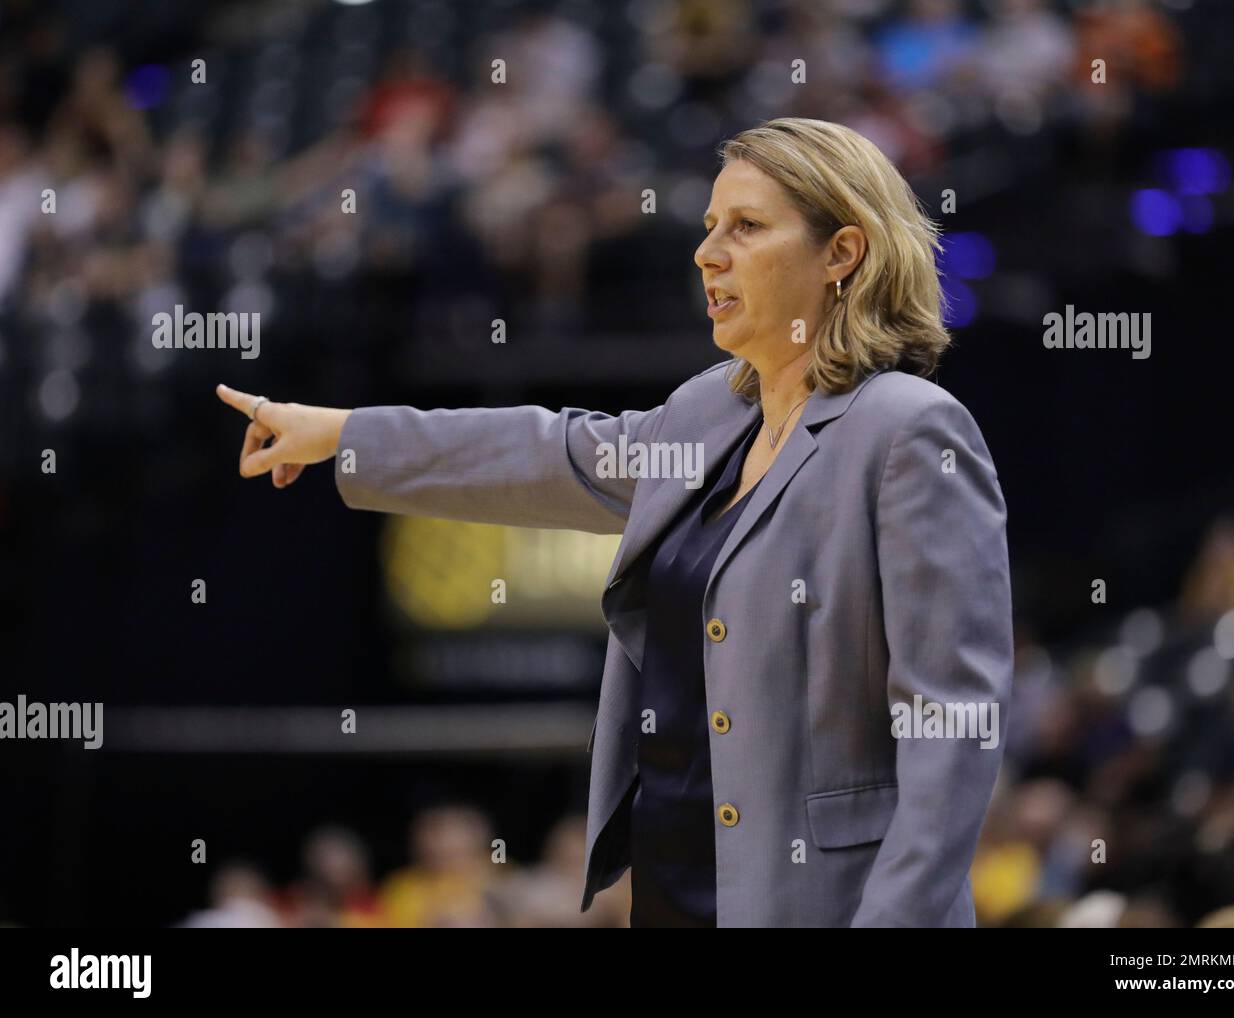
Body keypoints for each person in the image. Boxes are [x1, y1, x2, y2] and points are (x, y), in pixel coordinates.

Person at [215, 116, 1014, 927]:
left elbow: (952, 725)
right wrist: (347, 435)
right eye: (709, 227)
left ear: (841, 253)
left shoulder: (908, 431)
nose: (708, 253)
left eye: (747, 227)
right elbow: (546, 454)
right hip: (677, 890)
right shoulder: (712, 410)